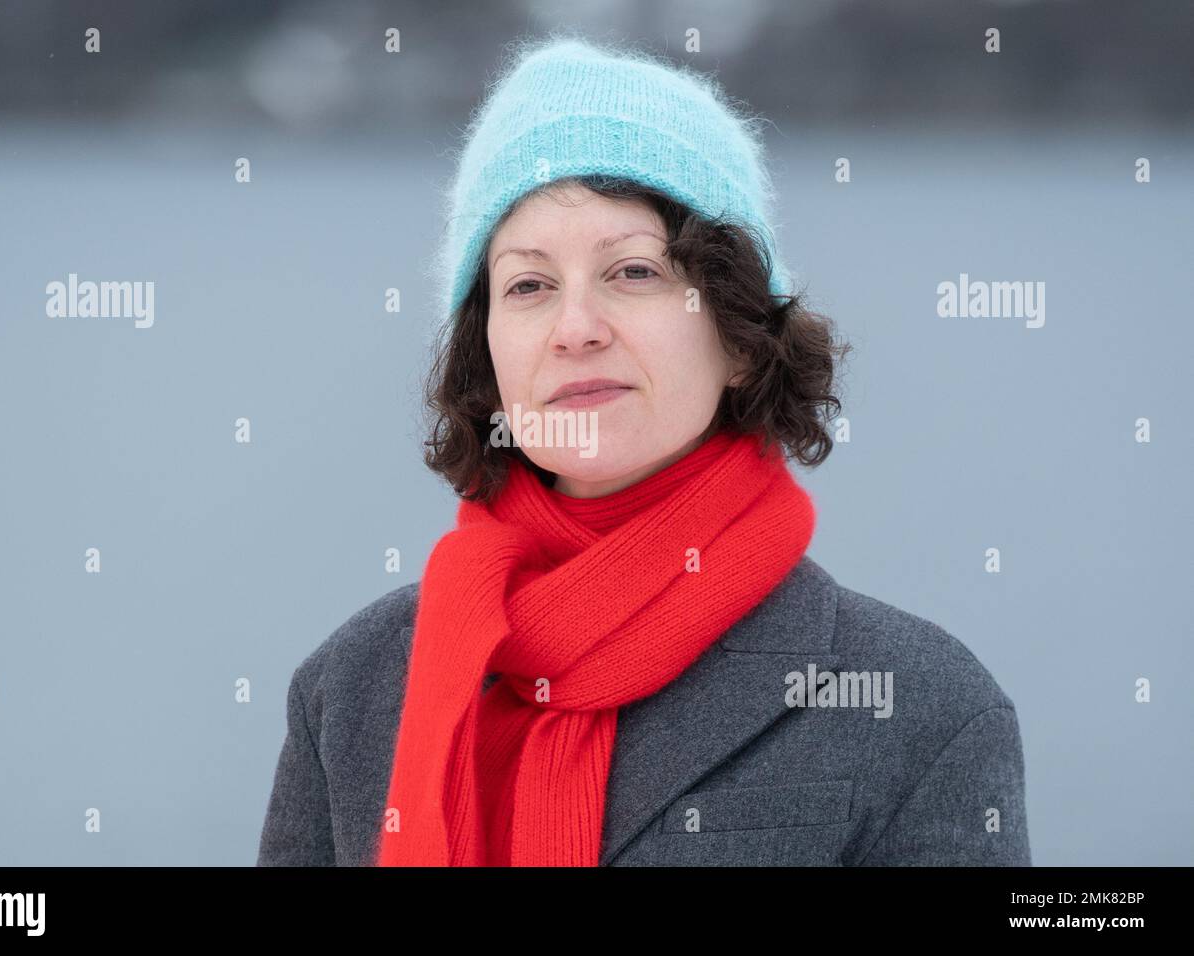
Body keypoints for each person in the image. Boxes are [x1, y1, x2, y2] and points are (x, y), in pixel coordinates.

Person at [257, 33, 1031, 867]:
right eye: (528, 285)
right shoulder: (352, 690)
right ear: (486, 358)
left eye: (634, 273)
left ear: (739, 335)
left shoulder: (922, 711)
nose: (576, 328)